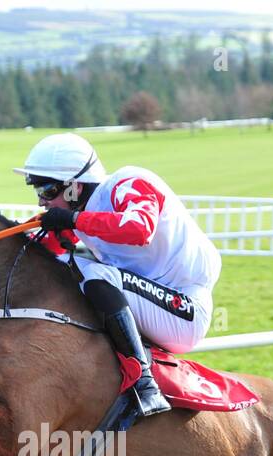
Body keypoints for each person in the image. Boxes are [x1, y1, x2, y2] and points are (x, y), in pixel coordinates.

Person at [15, 133, 222, 417]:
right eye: (38, 191)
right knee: (63, 265)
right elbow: (45, 250)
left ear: (75, 186)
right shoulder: (83, 211)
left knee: (97, 274)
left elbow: (139, 229)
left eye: (48, 191)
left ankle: (143, 383)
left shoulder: (129, 183)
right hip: (149, 300)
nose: (41, 201)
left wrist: (73, 221)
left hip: (184, 311)